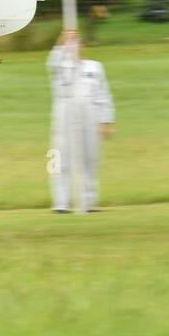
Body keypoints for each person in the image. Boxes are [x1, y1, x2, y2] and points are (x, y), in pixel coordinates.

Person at [47, 31, 115, 213]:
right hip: (65, 114)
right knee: (61, 158)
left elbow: (103, 95)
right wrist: (61, 40)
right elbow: (52, 62)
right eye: (70, 44)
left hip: (90, 115)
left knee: (90, 158)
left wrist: (106, 121)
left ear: (83, 46)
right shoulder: (60, 66)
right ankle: (61, 202)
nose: (73, 47)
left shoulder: (95, 67)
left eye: (76, 43)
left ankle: (88, 202)